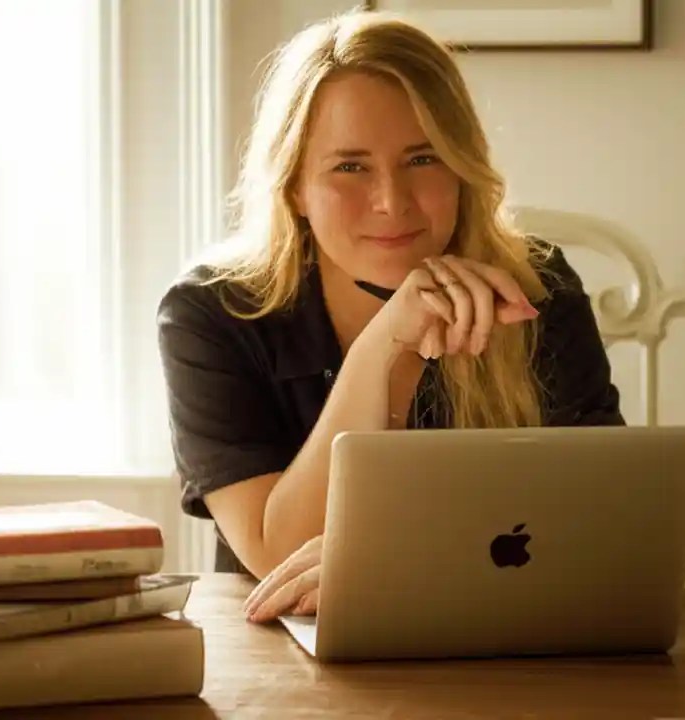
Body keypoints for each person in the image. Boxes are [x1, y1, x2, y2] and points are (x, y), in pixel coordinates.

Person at [157, 10, 624, 625]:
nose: (391, 201)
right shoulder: (209, 313)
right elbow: (276, 555)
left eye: (423, 159)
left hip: (498, 632)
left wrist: (405, 564)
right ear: (295, 187)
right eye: (350, 167)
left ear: (462, 168)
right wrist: (383, 347)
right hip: (286, 658)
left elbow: (606, 526)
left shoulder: (539, 287)